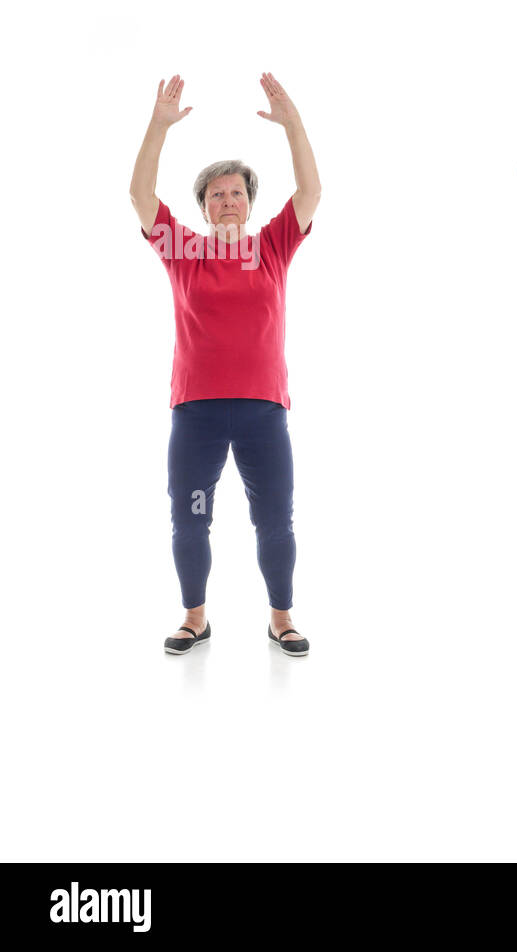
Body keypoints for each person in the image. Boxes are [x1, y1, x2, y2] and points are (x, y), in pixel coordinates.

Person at [129, 74, 321, 656]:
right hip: (197, 415)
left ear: (249, 203)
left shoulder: (272, 247)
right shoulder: (184, 254)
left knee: (275, 524)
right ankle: (195, 618)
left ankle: (281, 618)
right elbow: (140, 198)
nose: (227, 201)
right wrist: (158, 126)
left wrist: (293, 124)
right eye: (216, 194)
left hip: (263, 412)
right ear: (205, 207)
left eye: (236, 193)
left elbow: (311, 193)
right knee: (191, 520)